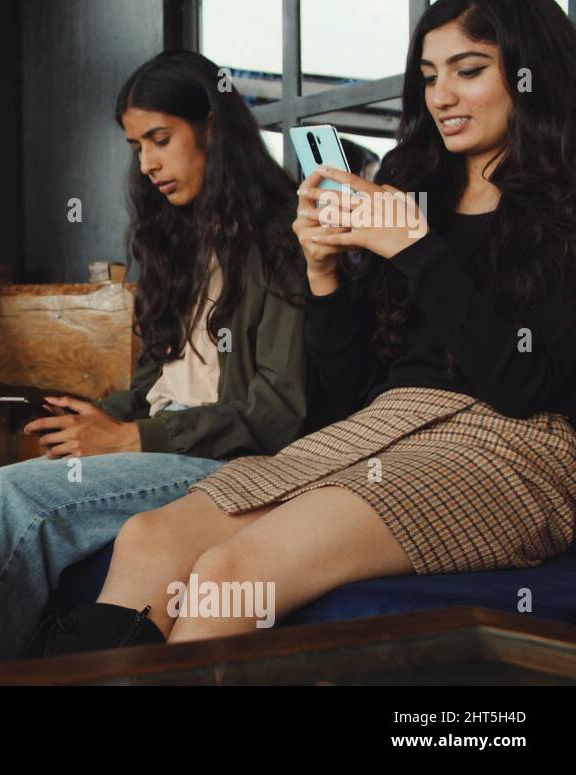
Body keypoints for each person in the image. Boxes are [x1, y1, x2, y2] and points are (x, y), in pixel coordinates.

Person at [62, 0, 576, 653]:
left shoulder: (559, 201)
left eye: (467, 71)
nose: (441, 95)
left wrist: (417, 250)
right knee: (151, 537)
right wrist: (324, 272)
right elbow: (347, 394)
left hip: (517, 448)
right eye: (427, 75)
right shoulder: (415, 185)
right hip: (383, 426)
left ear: (529, 73)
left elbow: (522, 386)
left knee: (229, 574)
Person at [0, 50, 312, 683]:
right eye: (136, 146)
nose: (147, 163)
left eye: (160, 139)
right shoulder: (180, 240)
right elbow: (157, 385)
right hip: (161, 443)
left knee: (11, 500)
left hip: (231, 464)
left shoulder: (285, 237)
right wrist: (101, 420)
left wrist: (130, 436)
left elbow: (279, 411)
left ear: (212, 126)